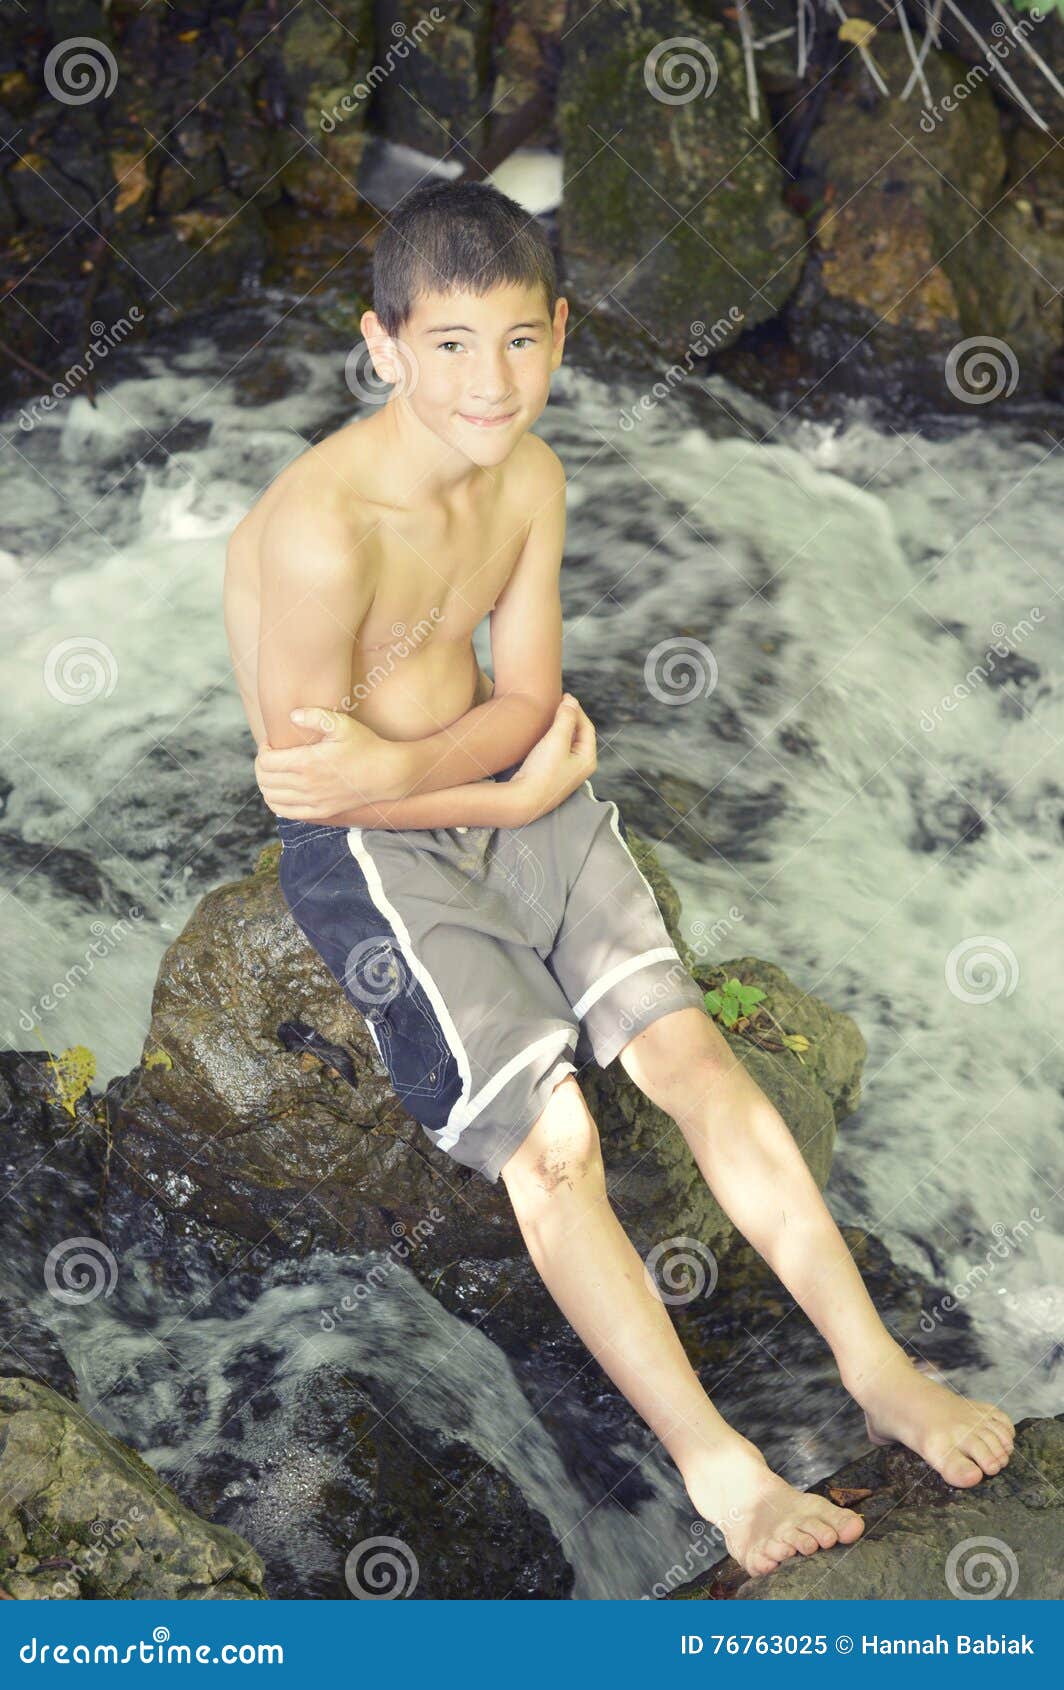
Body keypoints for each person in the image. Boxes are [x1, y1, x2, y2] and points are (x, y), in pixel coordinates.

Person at [223, 179, 1014, 1580]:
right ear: (383, 345)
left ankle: (879, 1366)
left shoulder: (530, 476)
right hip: (374, 852)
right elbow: (317, 791)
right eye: (452, 345)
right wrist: (510, 783)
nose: (491, 381)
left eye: (521, 340)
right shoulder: (314, 529)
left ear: (564, 336)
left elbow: (528, 698)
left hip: (496, 787)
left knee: (693, 1054)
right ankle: (722, 1469)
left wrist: (511, 777)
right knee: (558, 1142)